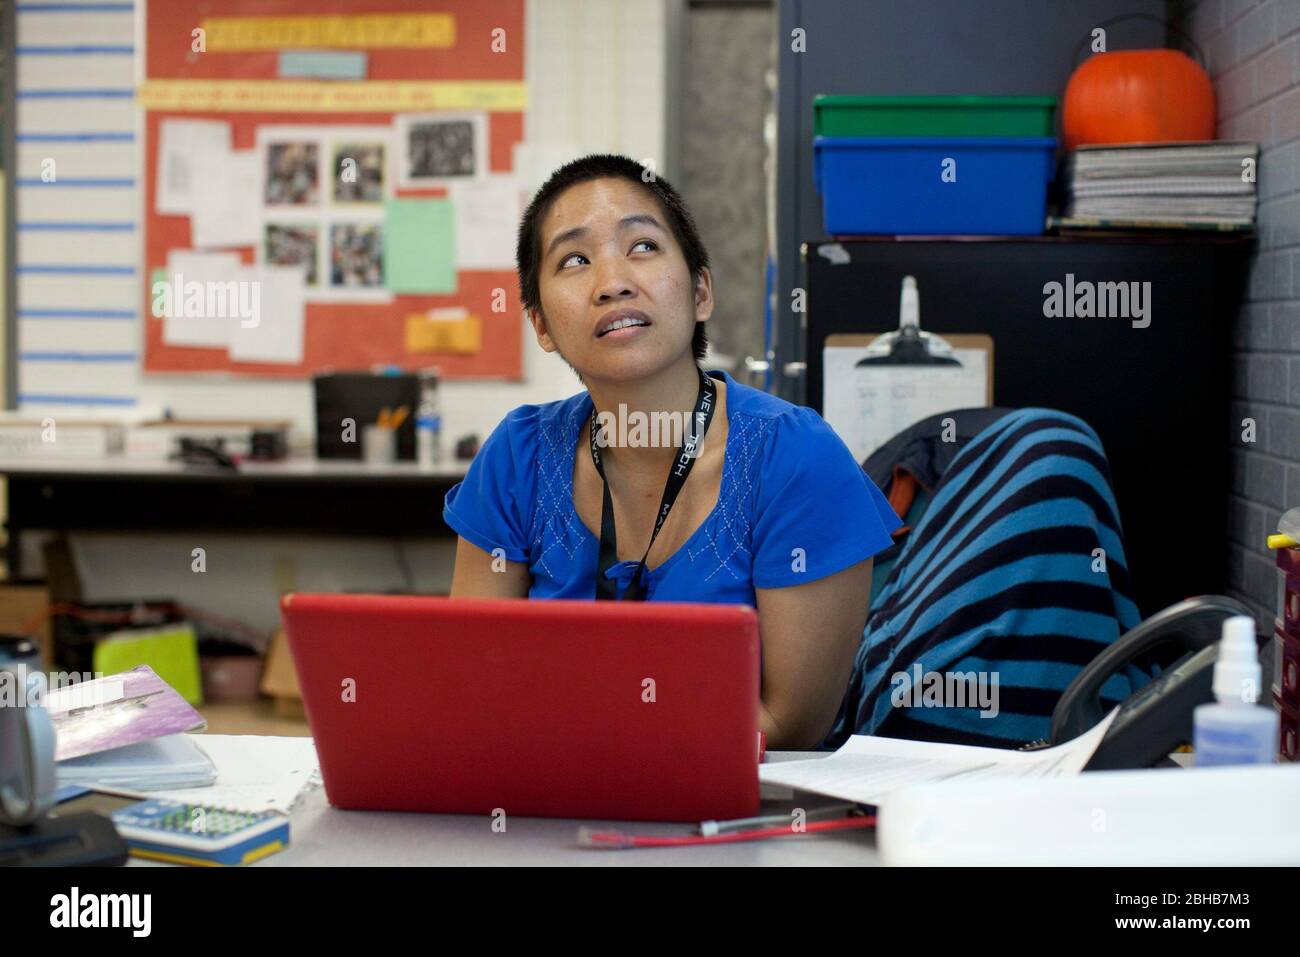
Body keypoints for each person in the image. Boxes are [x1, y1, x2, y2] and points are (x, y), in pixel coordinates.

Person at [444, 154, 900, 749]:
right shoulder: (518, 455)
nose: (612, 282)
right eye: (575, 260)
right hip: (543, 809)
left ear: (701, 290)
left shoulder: (793, 458)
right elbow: (472, 687)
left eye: (642, 247)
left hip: (739, 821)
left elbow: (789, 728)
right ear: (541, 326)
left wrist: (582, 740)